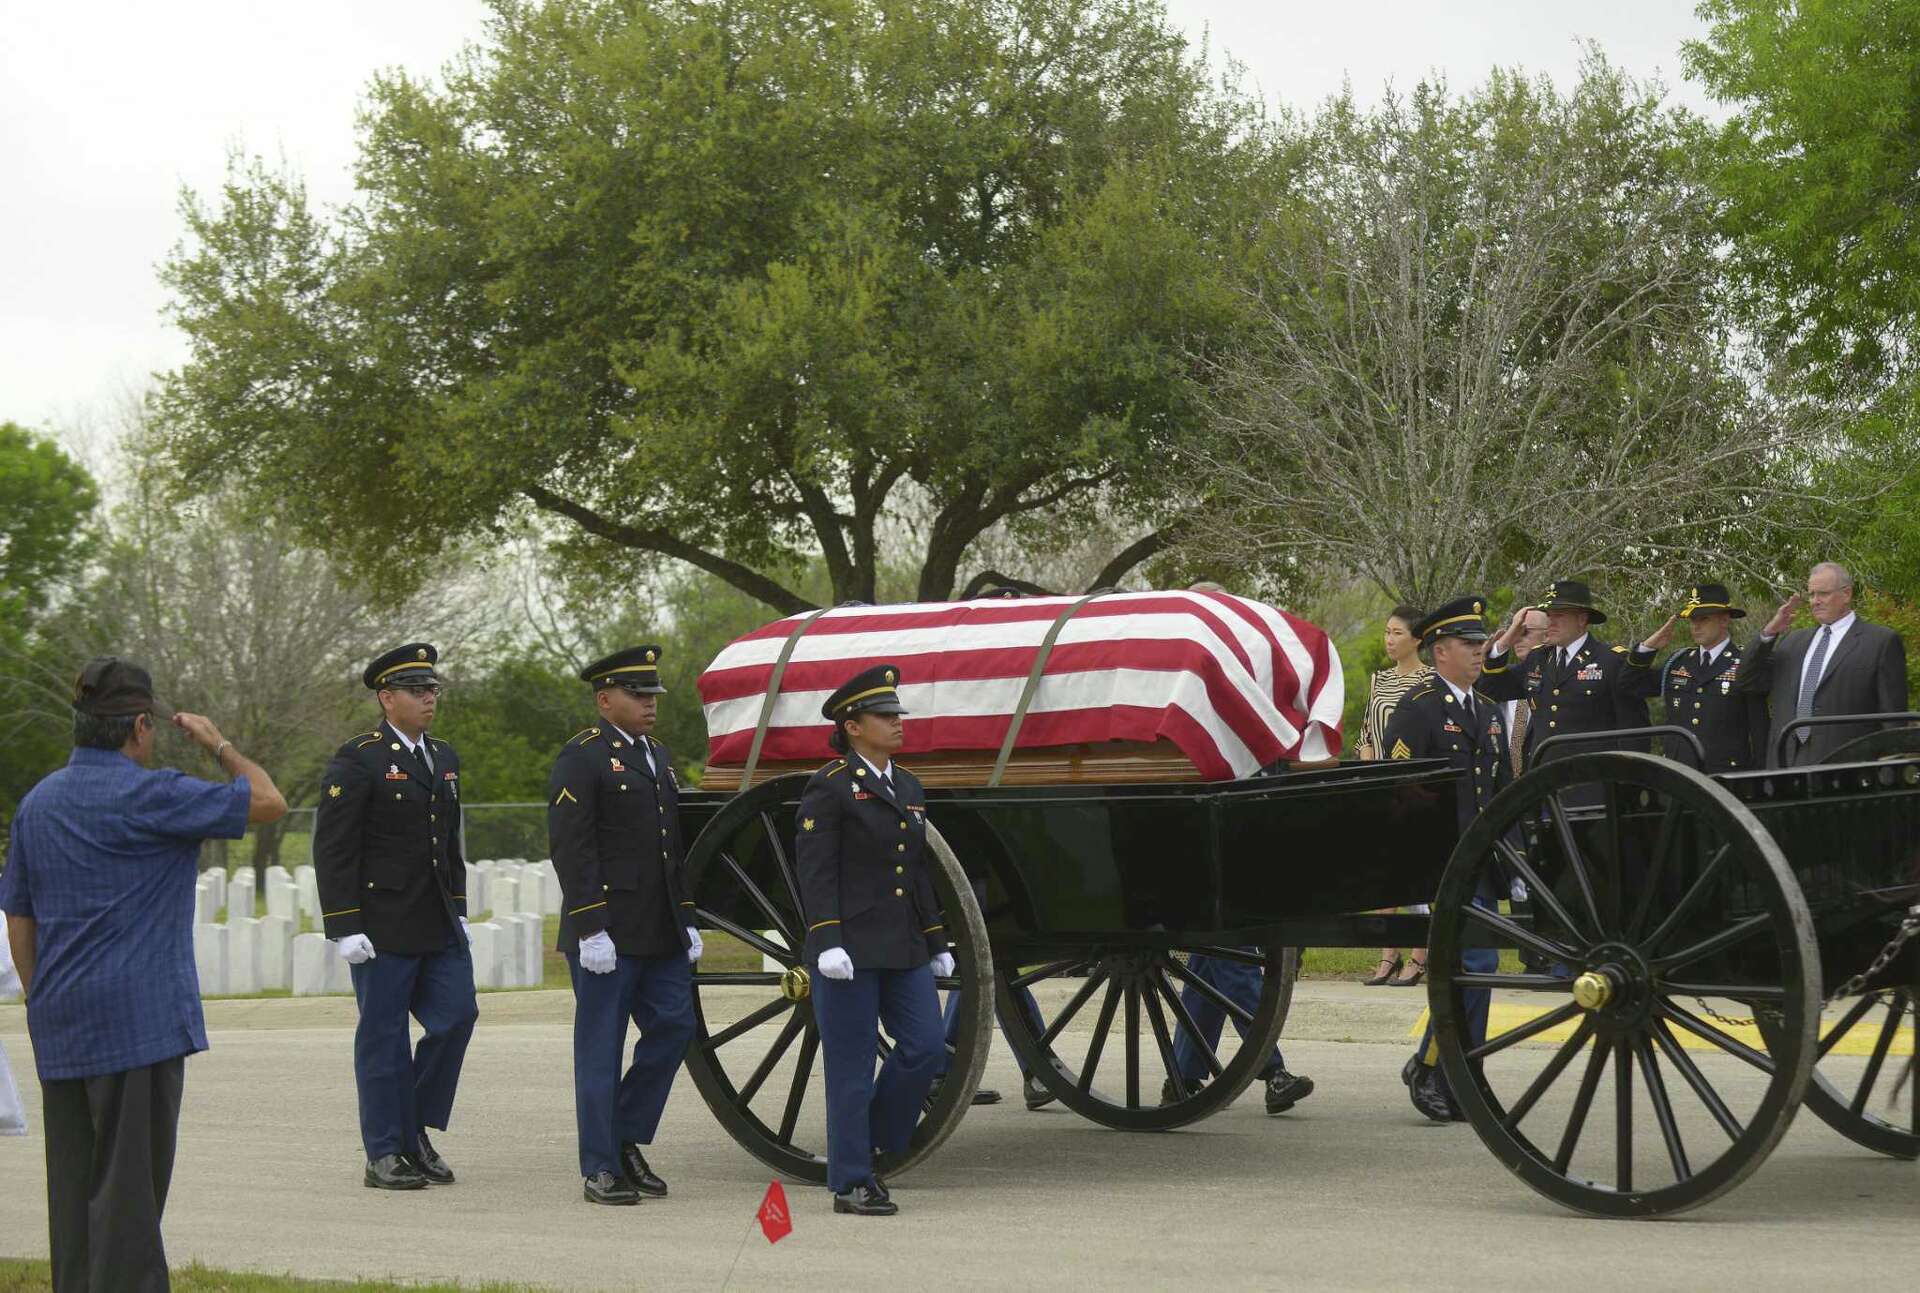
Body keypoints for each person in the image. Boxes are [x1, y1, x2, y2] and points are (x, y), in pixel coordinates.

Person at [0, 657, 286, 1291]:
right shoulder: (155, 794)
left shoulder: (38, 802)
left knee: (73, 1191)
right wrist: (219, 744)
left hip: (62, 1021)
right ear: (137, 726)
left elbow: (19, 915)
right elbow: (268, 801)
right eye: (149, 727)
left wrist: (38, 994)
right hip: (138, 1025)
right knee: (129, 1193)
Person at [314, 643, 478, 1191]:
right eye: (416, 689)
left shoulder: (445, 756)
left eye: (432, 688)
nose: (429, 697)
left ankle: (412, 1130)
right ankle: (384, 1150)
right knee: (384, 1039)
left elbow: (447, 845)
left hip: (436, 922)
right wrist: (343, 925)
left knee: (457, 1017)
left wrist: (458, 907)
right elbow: (334, 847)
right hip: (381, 924)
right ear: (386, 698)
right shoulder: (358, 758)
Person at [548, 645, 700, 1206]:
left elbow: (670, 849)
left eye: (653, 695)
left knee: (674, 1029)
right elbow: (572, 845)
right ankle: (600, 1166)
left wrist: (686, 918)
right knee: (600, 1048)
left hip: (658, 927)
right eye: (638, 695)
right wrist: (589, 926)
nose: (649, 704)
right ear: (604, 698)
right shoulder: (583, 756)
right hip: (607, 930)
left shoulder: (656, 754)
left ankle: (627, 1136)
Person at [797, 665, 949, 1216]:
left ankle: (874, 1137)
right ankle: (852, 1181)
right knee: (851, 1065)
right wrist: (827, 939)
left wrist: (935, 940)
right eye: (885, 717)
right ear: (853, 726)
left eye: (896, 715)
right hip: (849, 951)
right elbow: (815, 872)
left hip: (903, 945)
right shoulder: (830, 787)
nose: (896, 724)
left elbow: (919, 871)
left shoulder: (907, 785)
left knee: (927, 1048)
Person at [1380, 599, 1513, 1122]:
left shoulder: (1484, 711)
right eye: (1469, 644)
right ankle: (1445, 1070)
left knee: (1478, 967)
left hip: (1480, 862)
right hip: (1440, 864)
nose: (1481, 651)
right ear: (1441, 650)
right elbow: (1400, 789)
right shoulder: (1420, 706)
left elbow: (1502, 790)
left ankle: (1447, 1069)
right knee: (1472, 964)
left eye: (1481, 643)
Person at [1732, 563, 1909, 767]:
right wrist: (1769, 633)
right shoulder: (1792, 641)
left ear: (1846, 594)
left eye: (1823, 594)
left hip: (1847, 771)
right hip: (1785, 766)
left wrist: (1888, 775)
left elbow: (1893, 720)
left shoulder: (1880, 642)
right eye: (1812, 594)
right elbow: (1747, 681)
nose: (1815, 601)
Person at [1477, 578, 1665, 765]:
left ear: (1582, 619)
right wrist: (1504, 643)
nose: (1551, 622)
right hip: (1543, 778)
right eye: (1549, 615)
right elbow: (1492, 689)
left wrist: (1625, 781)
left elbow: (1632, 730)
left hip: (1591, 782)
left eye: (1559, 615)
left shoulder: (1611, 660)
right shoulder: (1538, 659)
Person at [1357, 605, 1431, 986]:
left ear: (1418, 638)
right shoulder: (1378, 681)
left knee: (1416, 872)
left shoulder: (1431, 680)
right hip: (1383, 787)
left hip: (1417, 790)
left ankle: (1419, 956)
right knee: (1386, 873)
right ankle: (1387, 954)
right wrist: (1373, 773)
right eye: (1387, 632)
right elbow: (1366, 734)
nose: (1389, 639)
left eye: (1397, 633)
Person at [1658, 582, 1770, 771]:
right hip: (1679, 772)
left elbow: (1759, 729)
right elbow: (1631, 684)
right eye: (1693, 620)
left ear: (1724, 620)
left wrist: (1758, 780)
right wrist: (1648, 648)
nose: (1696, 626)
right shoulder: (1679, 661)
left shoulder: (1744, 663)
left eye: (1703, 619)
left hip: (1724, 774)